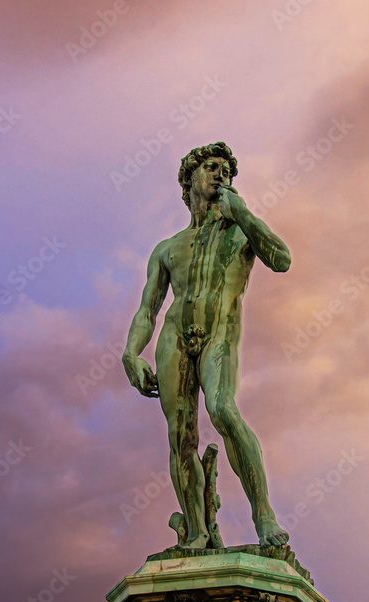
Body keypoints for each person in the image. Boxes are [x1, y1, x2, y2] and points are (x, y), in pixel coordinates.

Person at [122, 142, 292, 548]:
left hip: (219, 331)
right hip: (173, 337)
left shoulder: (240, 231)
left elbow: (281, 259)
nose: (221, 176)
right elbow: (148, 309)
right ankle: (197, 533)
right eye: (212, 168)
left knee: (223, 410)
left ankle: (264, 516)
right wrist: (130, 352)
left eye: (227, 171)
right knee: (180, 436)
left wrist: (245, 215)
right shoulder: (167, 249)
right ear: (190, 179)